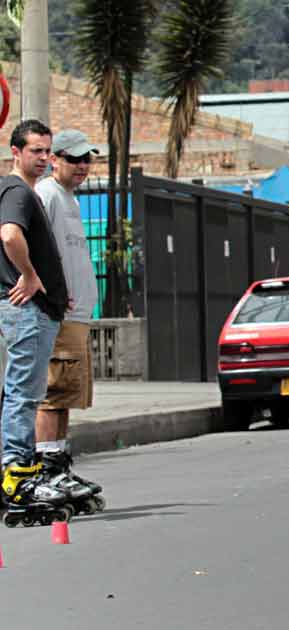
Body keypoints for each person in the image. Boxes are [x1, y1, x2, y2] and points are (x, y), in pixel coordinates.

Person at [0, 120, 72, 527]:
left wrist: (56, 291)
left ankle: (15, 470)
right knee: (24, 394)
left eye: (48, 151)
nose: (44, 159)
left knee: (20, 391)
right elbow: (9, 236)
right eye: (36, 151)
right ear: (16, 151)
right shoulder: (15, 191)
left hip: (35, 307)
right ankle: (17, 474)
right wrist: (29, 276)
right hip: (27, 311)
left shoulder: (20, 192)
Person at [32, 129, 104, 514]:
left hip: (76, 316)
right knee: (53, 392)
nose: (81, 166)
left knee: (67, 395)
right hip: (58, 315)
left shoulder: (71, 199)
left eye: (86, 159)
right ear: (55, 159)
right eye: (74, 159)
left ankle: (59, 464)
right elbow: (23, 243)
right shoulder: (47, 195)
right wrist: (47, 292)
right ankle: (46, 469)